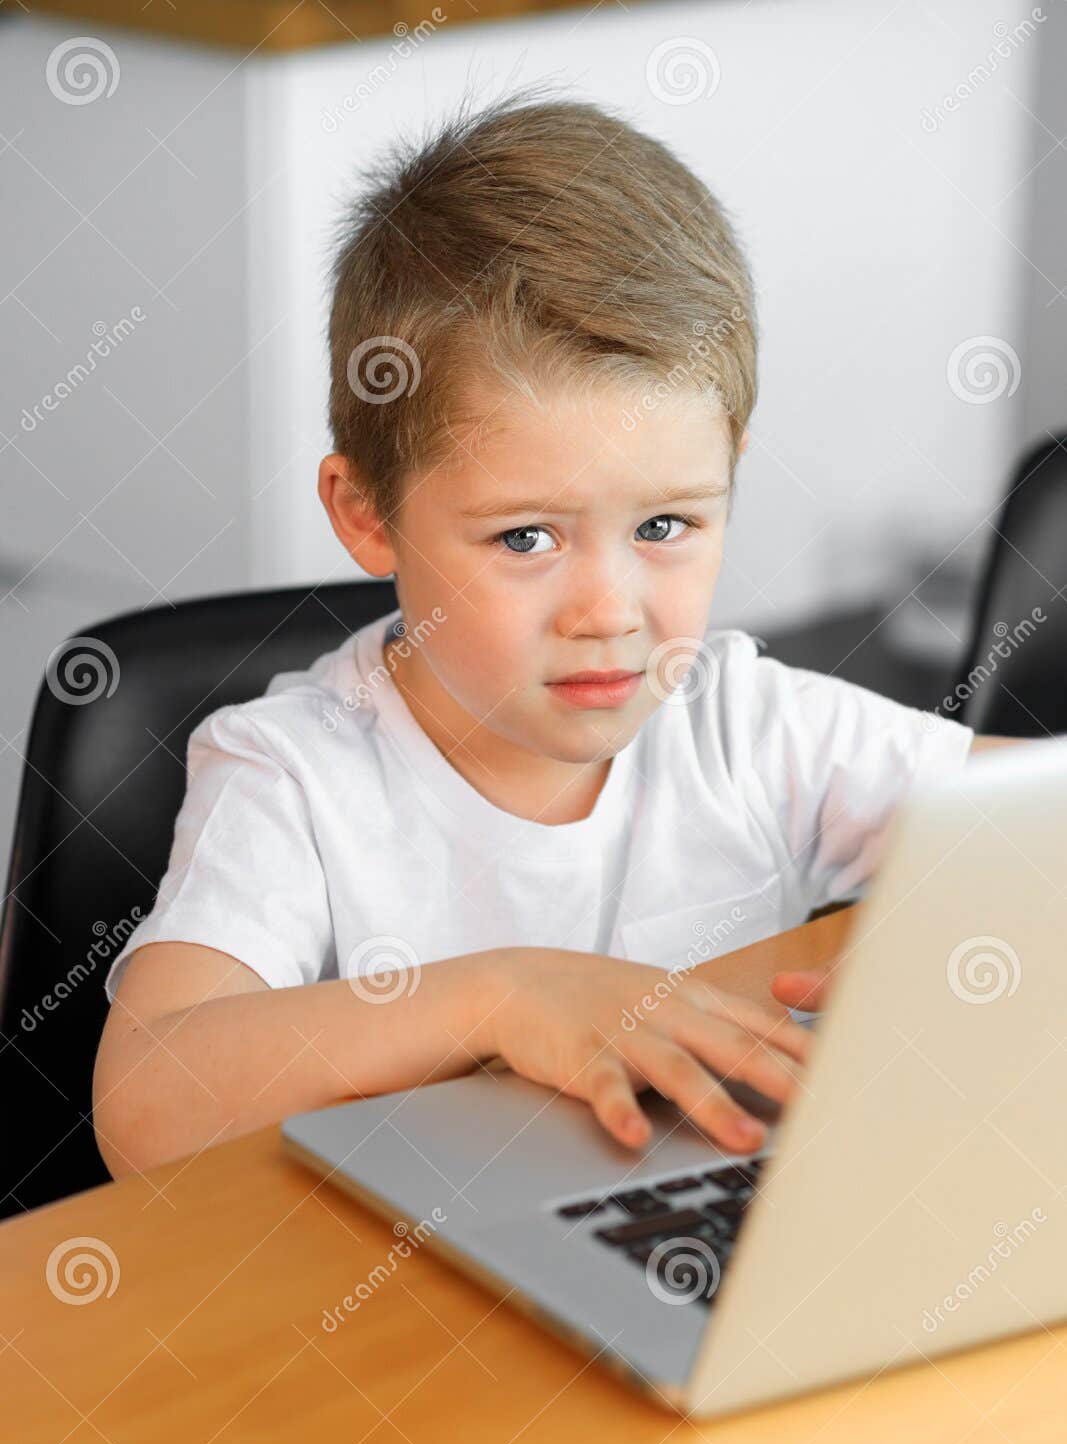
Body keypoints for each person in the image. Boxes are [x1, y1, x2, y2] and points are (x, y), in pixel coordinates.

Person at [92, 89, 1015, 1181]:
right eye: (526, 537)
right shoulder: (293, 777)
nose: (609, 612)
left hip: (684, 1242)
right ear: (366, 513)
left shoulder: (743, 724)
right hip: (393, 1311)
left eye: (664, 524)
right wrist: (500, 993)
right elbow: (146, 1103)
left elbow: (1030, 824)